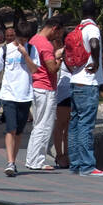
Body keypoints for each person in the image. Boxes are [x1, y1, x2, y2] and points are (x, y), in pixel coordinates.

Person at [0, 23, 40, 176]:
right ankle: (10, 162)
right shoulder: (4, 50)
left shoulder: (31, 49)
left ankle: (13, 160)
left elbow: (35, 70)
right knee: (10, 128)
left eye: (26, 39)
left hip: (25, 95)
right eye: (21, 39)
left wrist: (25, 54)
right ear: (15, 36)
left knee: (19, 131)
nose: (23, 42)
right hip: (9, 95)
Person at [64, 0, 103, 176]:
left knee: (74, 124)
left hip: (75, 80)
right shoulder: (92, 29)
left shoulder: (77, 29)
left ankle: (75, 164)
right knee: (86, 125)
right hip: (88, 83)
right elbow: (95, 44)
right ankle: (88, 166)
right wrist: (95, 63)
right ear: (95, 12)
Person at [25, 16, 63, 171]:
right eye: (58, 33)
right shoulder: (46, 45)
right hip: (46, 87)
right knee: (44, 125)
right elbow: (52, 68)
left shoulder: (34, 40)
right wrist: (59, 58)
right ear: (54, 28)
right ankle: (37, 161)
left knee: (38, 124)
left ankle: (32, 158)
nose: (58, 37)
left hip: (36, 85)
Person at [51, 22, 71, 169]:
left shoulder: (77, 52)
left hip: (75, 91)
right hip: (63, 93)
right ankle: (59, 155)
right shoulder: (60, 52)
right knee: (61, 125)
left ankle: (68, 154)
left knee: (70, 127)